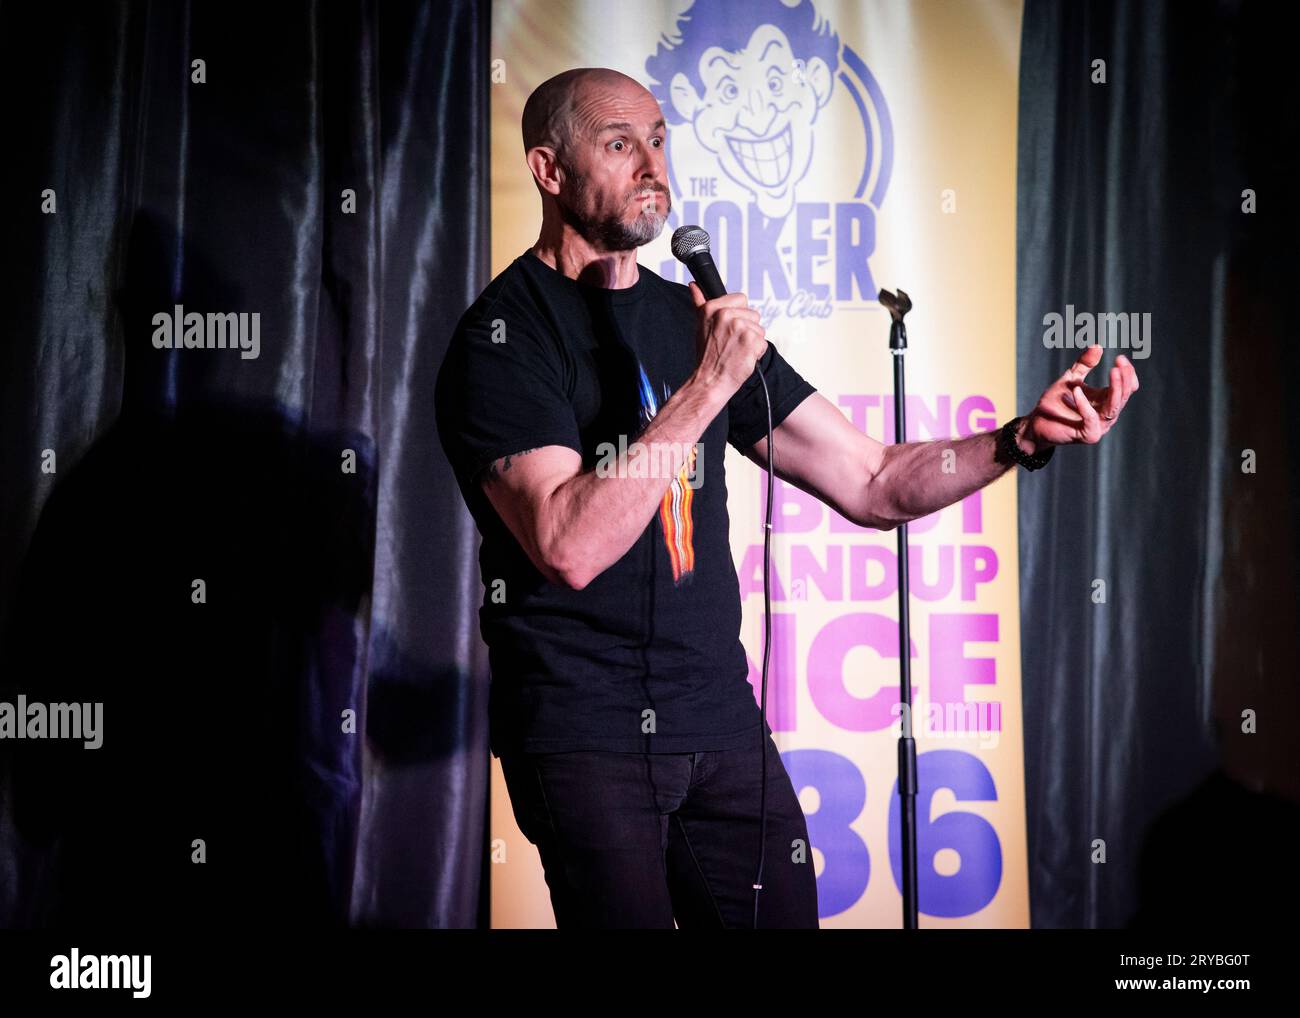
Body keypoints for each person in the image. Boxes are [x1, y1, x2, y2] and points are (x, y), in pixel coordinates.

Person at [434, 67, 1138, 929]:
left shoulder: (689, 317)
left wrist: (1020, 439)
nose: (652, 164)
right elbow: (567, 546)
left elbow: (872, 482)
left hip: (719, 719)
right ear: (549, 170)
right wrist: (707, 386)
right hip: (588, 733)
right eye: (619, 145)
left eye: (658, 138)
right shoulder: (504, 338)